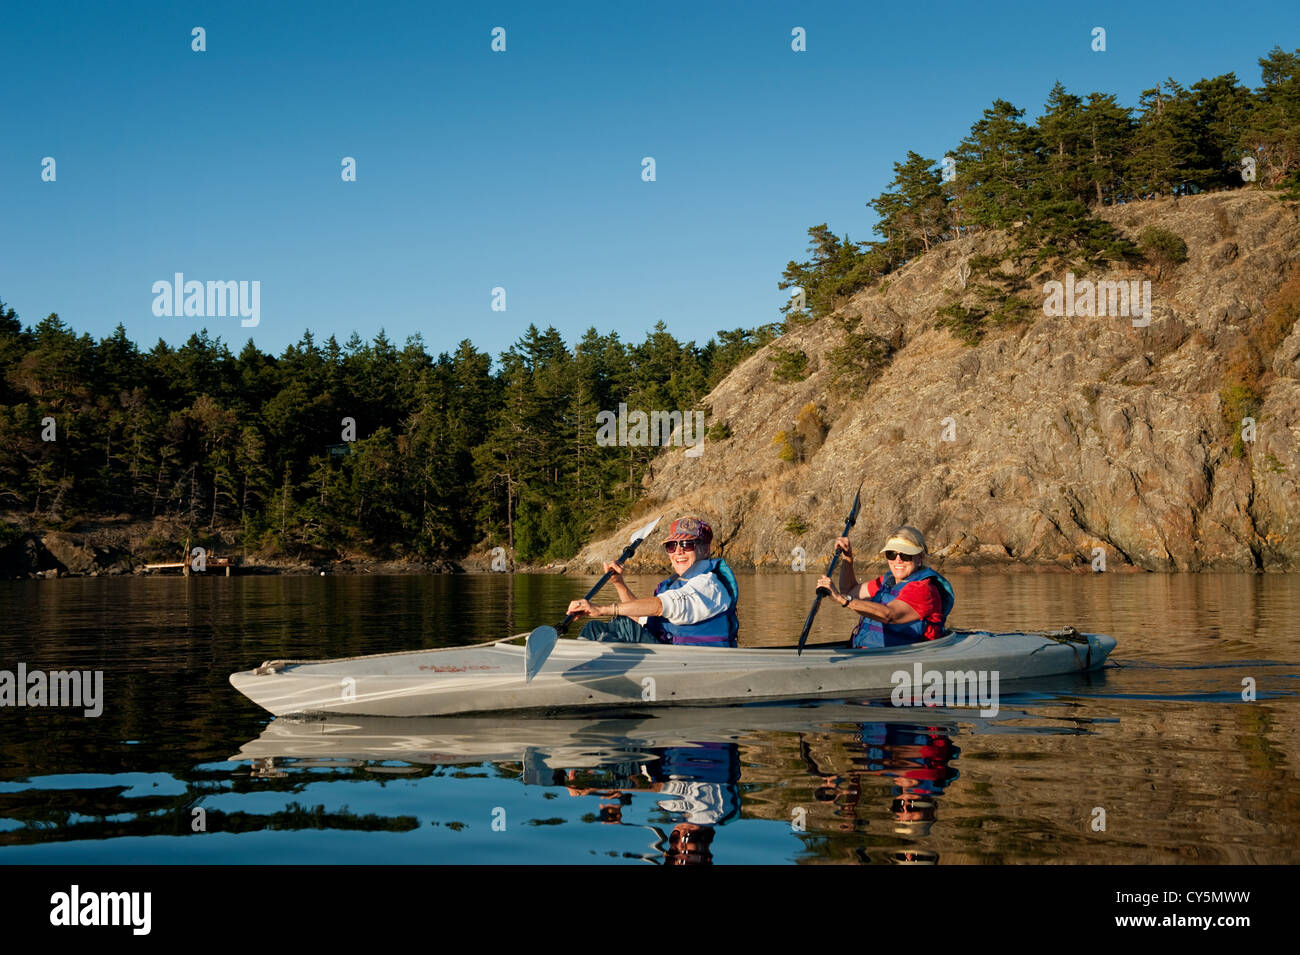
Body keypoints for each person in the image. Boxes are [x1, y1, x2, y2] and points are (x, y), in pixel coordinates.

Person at [567, 516, 739, 647]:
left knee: (619, 627)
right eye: (672, 546)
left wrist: (602, 609)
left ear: (705, 550)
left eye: (687, 545)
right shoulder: (675, 584)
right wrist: (618, 582)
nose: (678, 552)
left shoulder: (710, 585)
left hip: (695, 662)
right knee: (598, 629)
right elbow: (640, 618)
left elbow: (660, 606)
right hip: (671, 655)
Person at [816, 525, 954, 648]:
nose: (897, 560)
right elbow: (850, 591)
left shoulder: (923, 589)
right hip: (869, 652)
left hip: (906, 657)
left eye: (905, 555)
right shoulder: (887, 581)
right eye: (891, 554)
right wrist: (847, 558)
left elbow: (889, 614)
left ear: (920, 557)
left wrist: (842, 599)